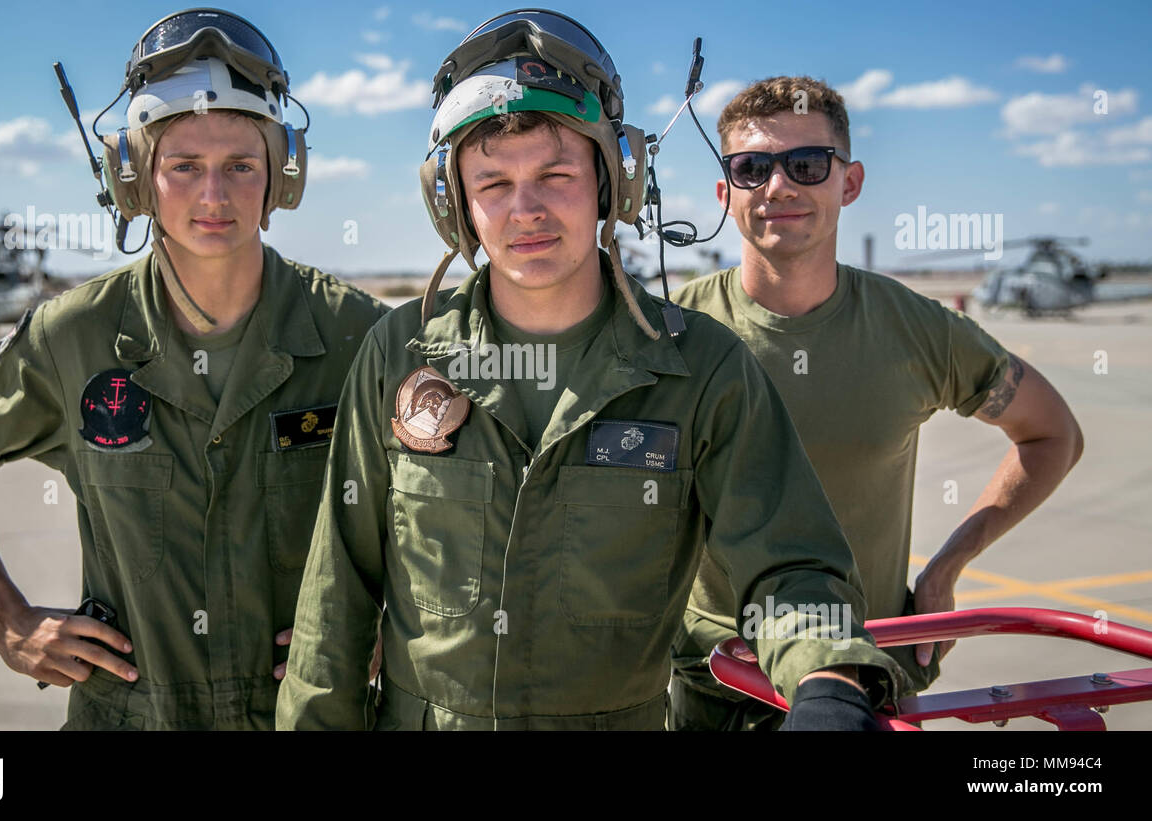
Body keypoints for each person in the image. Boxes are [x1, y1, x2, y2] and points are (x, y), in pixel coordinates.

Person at [277, 10, 904, 731]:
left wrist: (827, 683)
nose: (526, 210)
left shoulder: (700, 369)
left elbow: (793, 565)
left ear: (611, 183)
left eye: (556, 174)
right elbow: (338, 595)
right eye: (492, 183)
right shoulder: (402, 352)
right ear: (453, 204)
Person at [0, 8, 387, 730]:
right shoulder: (74, 337)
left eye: (240, 166)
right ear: (132, 178)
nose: (213, 197)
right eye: (184, 167)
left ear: (283, 173)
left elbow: (440, 505)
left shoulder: (359, 335)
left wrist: (391, 620)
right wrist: (3, 617)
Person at [668, 76, 1084, 730]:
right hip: (711, 680)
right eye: (752, 168)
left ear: (850, 182)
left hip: (859, 679)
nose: (778, 187)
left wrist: (948, 564)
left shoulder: (914, 328)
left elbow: (1052, 433)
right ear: (725, 192)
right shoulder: (670, 332)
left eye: (807, 164)